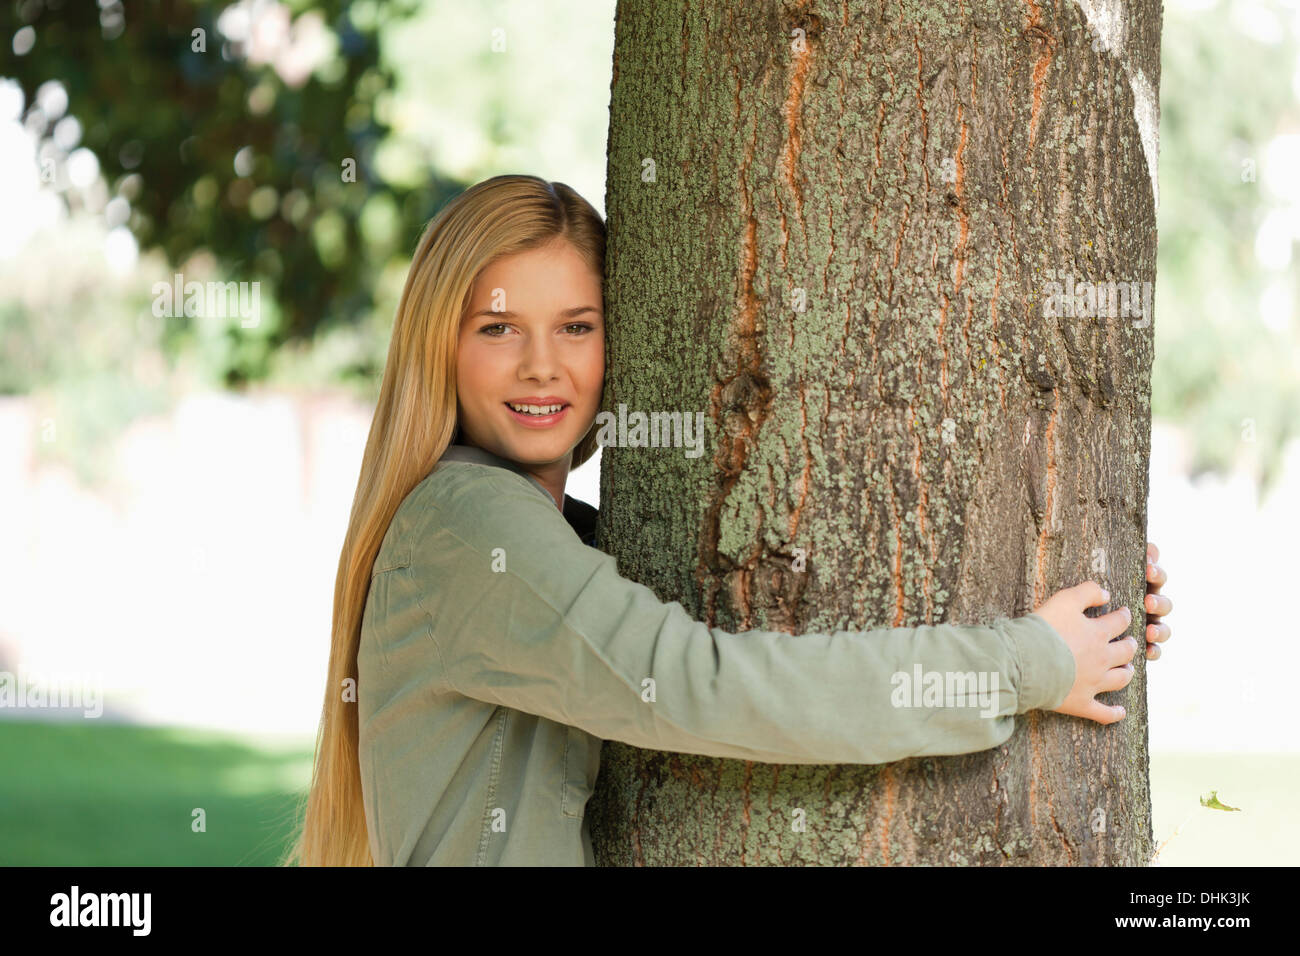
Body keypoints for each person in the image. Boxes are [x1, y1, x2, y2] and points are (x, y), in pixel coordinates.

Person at [286, 175, 1174, 866]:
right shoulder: (469, 524)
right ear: (437, 342)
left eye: (578, 326)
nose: (541, 367)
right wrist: (1022, 664)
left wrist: (1105, 622)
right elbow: (700, 685)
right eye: (497, 329)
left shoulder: (530, 532)